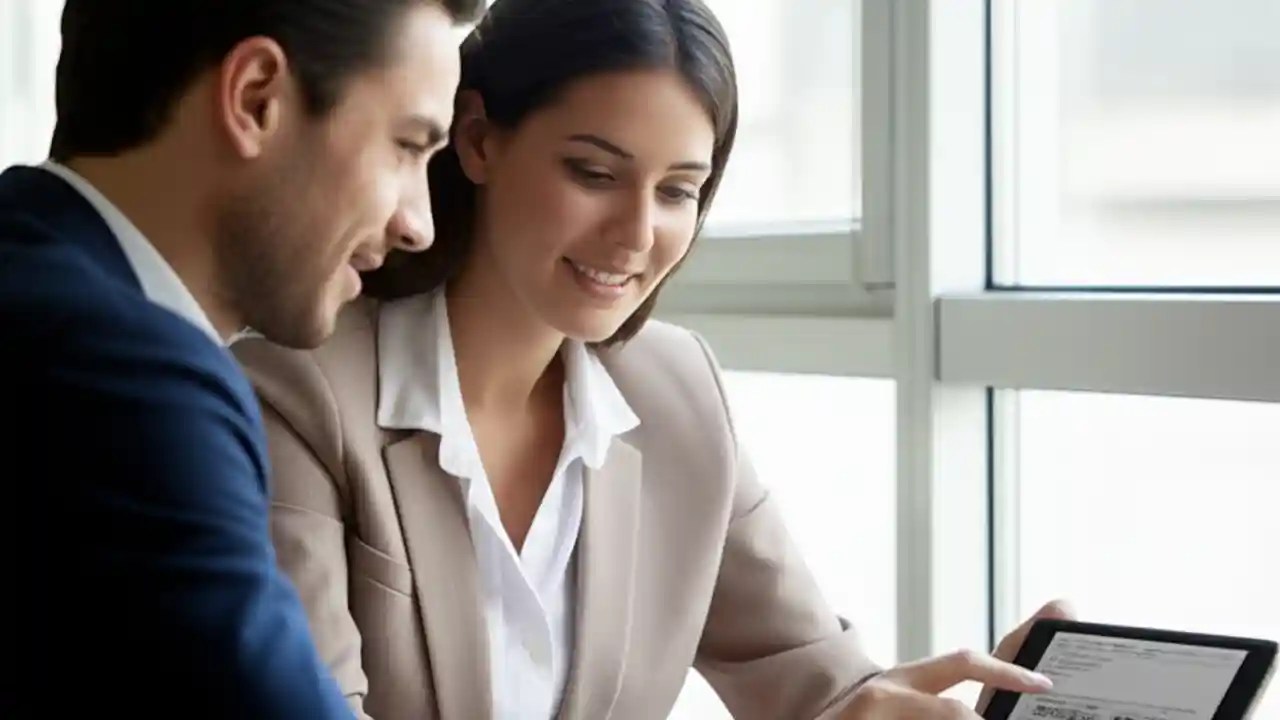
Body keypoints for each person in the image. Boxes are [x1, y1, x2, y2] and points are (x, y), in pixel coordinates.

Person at [234, 0, 1072, 717]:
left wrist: (937, 700)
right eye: (594, 172)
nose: (637, 236)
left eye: (678, 191)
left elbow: (815, 684)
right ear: (479, 139)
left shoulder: (674, 391)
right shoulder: (298, 390)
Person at [2, 0, 483, 716]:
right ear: (257, 98)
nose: (418, 224)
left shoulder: (33, 267)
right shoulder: (131, 371)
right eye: (407, 146)